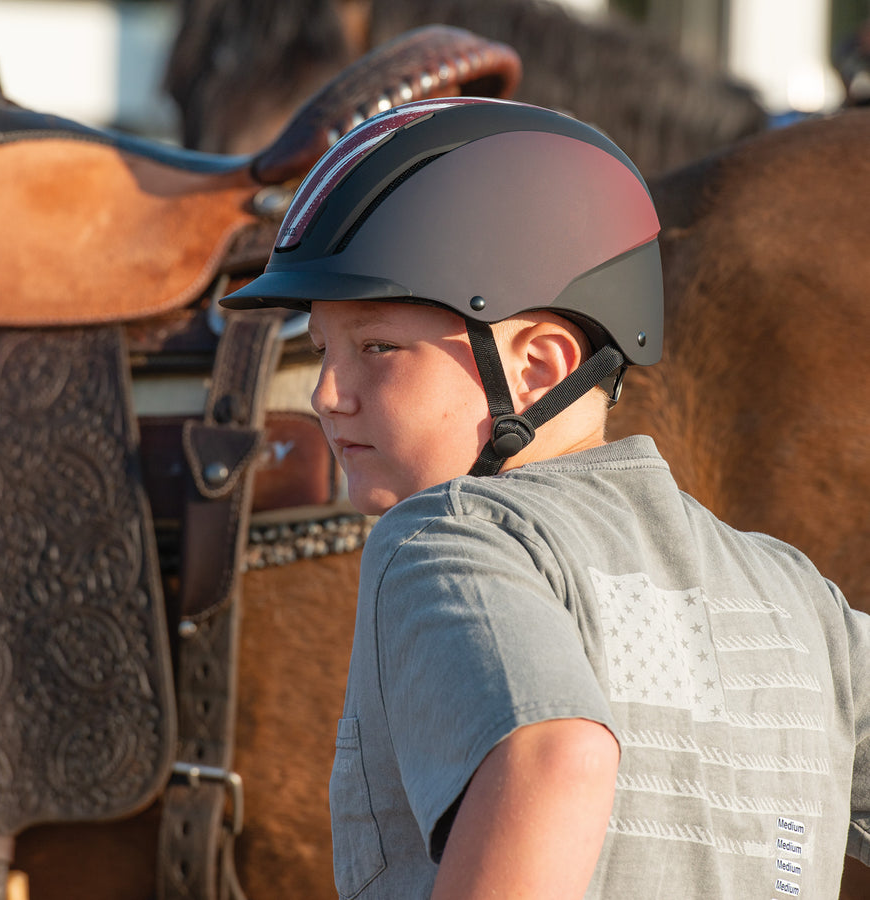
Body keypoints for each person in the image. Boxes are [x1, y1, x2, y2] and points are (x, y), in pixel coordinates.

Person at [222, 98, 870, 899]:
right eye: (322, 351)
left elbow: (552, 756)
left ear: (539, 366)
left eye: (376, 348)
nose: (326, 393)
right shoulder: (799, 597)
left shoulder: (447, 537)